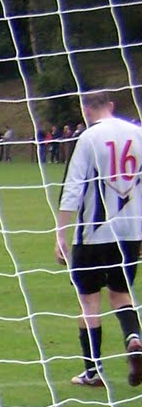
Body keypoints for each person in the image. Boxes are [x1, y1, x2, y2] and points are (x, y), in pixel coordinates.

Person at [57, 90, 142, 388]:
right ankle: (134, 338)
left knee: (88, 301)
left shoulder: (89, 138)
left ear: (86, 109)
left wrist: (60, 234)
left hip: (93, 235)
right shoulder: (137, 133)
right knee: (121, 293)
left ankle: (93, 371)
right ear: (111, 105)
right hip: (131, 233)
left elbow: (73, 187)